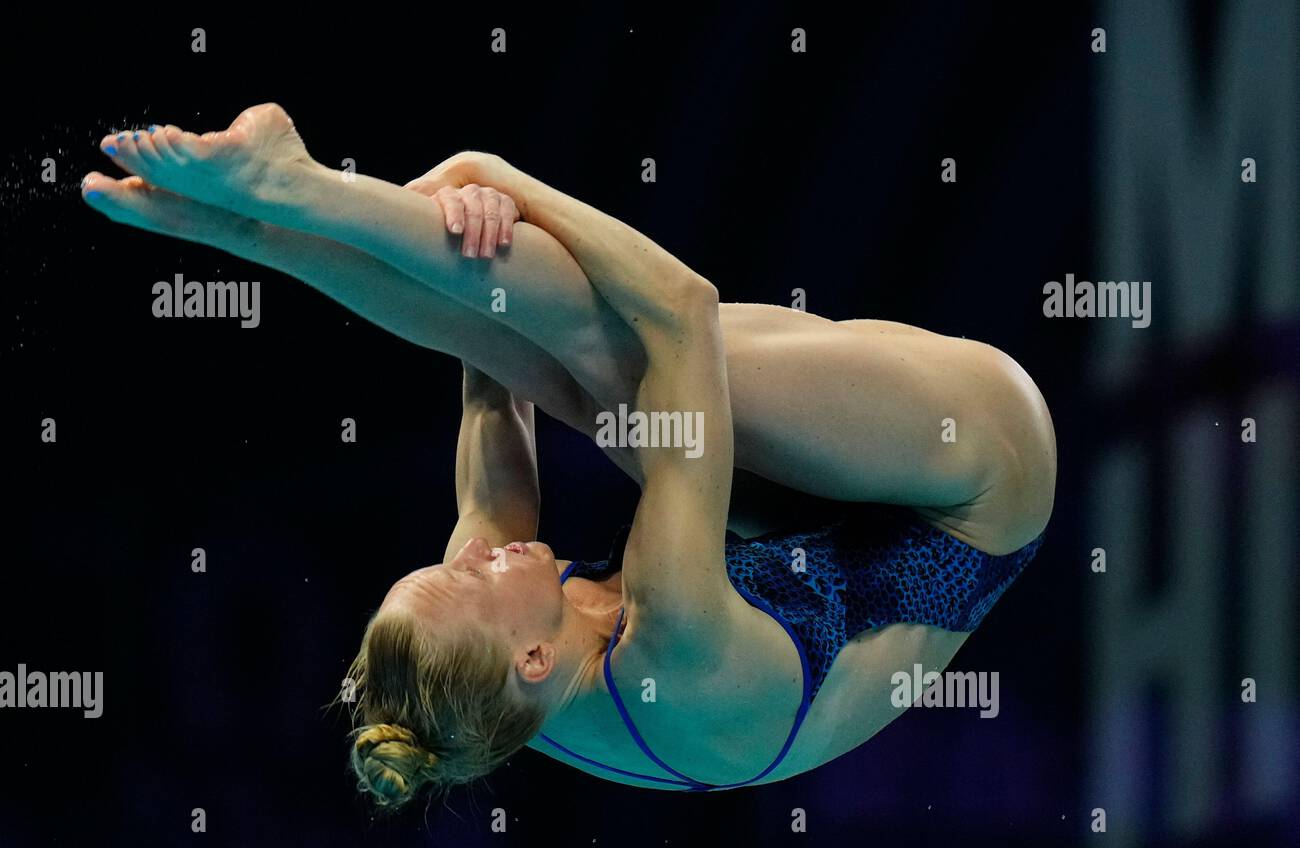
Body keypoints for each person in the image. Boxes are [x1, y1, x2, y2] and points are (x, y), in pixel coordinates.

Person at [82, 104, 1055, 804]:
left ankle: (236, 220)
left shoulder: (489, 684)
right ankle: (295, 183)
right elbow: (682, 311)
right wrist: (497, 178)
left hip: (801, 527)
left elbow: (486, 366)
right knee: (614, 360)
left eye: (449, 560)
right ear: (536, 652)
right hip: (976, 483)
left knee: (530, 356)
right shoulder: (675, 643)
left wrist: (429, 257)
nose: (475, 553)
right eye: (470, 575)